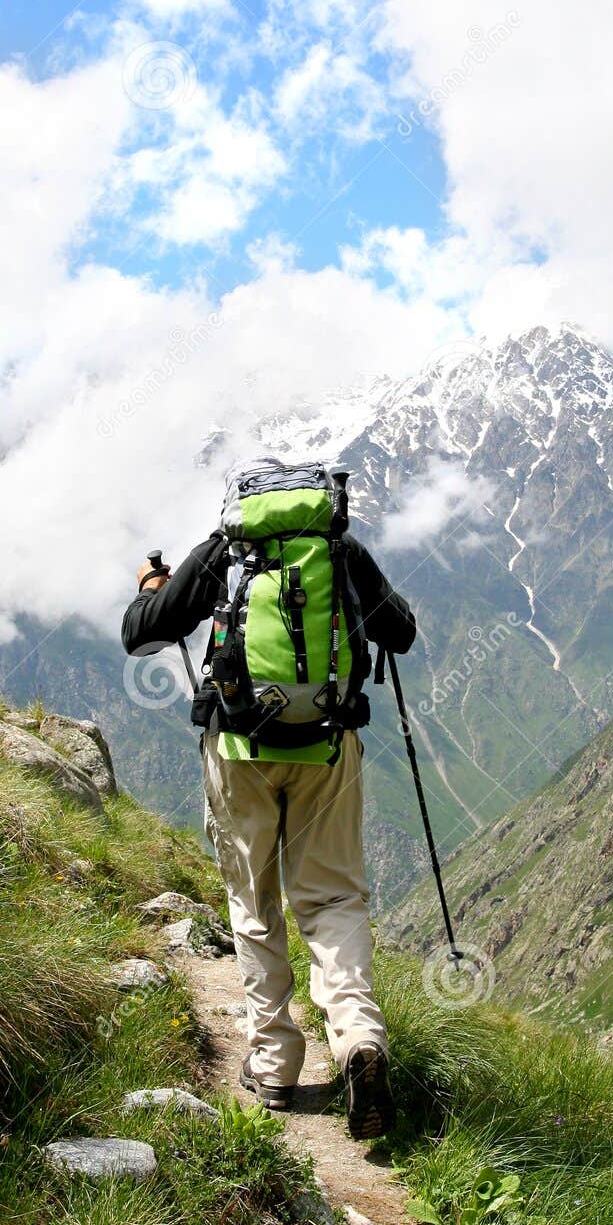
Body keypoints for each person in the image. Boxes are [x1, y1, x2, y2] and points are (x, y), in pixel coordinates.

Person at [121, 460, 416, 1140]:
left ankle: (275, 1064)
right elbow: (397, 634)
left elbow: (143, 634)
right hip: (328, 751)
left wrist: (154, 587)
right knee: (333, 900)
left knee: (253, 904)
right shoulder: (339, 552)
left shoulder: (225, 553)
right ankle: (357, 1041)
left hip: (239, 752)